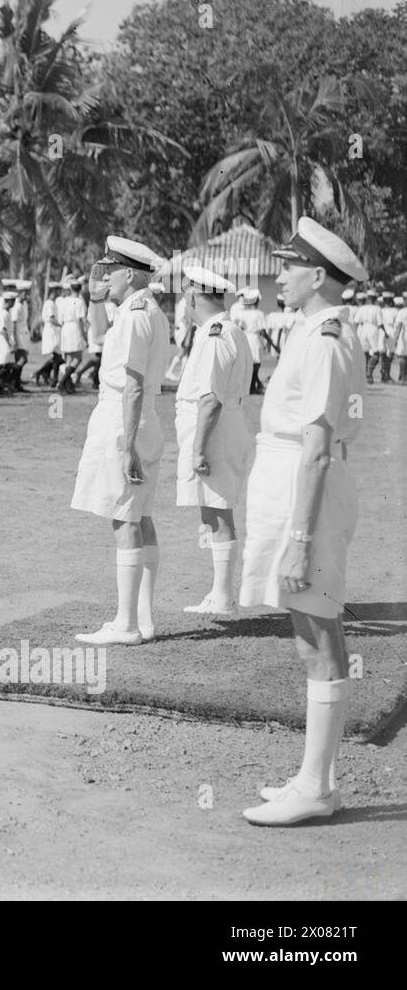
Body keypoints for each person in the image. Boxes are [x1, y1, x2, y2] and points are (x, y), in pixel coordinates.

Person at [239, 217, 368, 827]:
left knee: (316, 630)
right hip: (294, 482)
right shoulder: (317, 329)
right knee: (308, 627)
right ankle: (312, 777)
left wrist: (298, 540)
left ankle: (317, 787)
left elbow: (316, 446)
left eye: (288, 266)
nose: (279, 276)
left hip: (306, 490)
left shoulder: (325, 338)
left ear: (317, 275)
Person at [72, 236, 171, 647]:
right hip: (143, 415)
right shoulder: (148, 309)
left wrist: (127, 444)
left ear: (129, 273)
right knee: (140, 516)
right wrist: (98, 297)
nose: (104, 278)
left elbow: (130, 384)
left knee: (124, 518)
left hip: (124, 416)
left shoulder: (133, 314)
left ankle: (126, 623)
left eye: (110, 271)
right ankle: (142, 620)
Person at [175, 266, 252, 615]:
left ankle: (223, 597)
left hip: (216, 431)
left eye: (184, 295)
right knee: (213, 510)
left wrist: (199, 448)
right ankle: (220, 593)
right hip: (221, 427)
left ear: (192, 296)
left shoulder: (216, 333)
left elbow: (210, 399)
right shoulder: (221, 330)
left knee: (219, 511)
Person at [237, 287, 267, 394]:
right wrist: (270, 342)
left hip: (245, 338)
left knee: (248, 363)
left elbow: (240, 327)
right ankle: (252, 387)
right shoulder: (259, 313)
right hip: (254, 339)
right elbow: (262, 331)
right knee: (256, 364)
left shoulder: (241, 313)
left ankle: (250, 387)